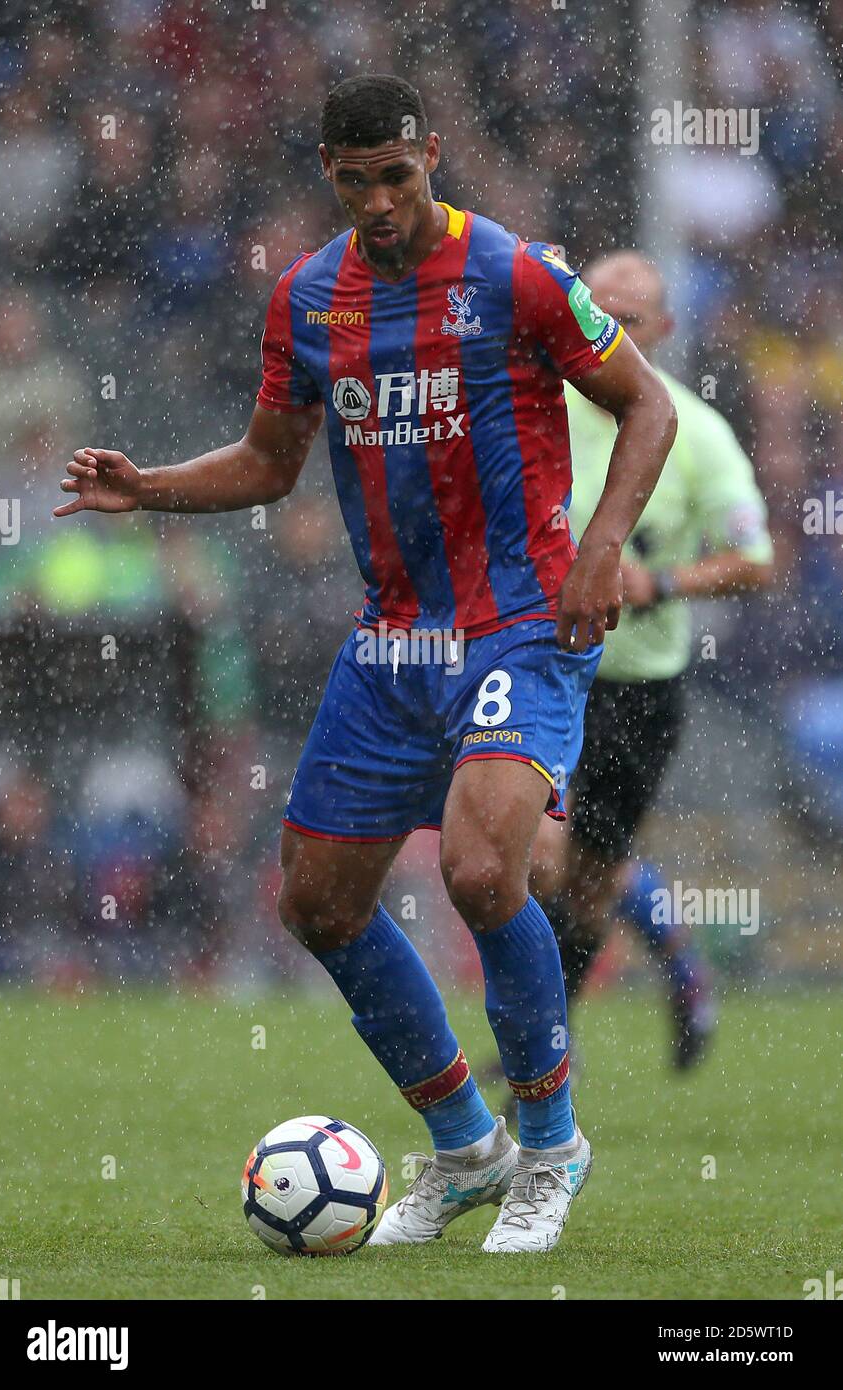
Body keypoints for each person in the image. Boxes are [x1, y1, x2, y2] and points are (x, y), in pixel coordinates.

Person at [53, 75, 676, 1254]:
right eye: (356, 180)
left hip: (518, 623)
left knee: (486, 873)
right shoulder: (310, 298)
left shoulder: (516, 273)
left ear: (430, 156)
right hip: (392, 642)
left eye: (398, 175)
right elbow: (267, 461)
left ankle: (550, 1144)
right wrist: (150, 491)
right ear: (330, 175)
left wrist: (602, 551)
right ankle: (464, 1146)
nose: (381, 200)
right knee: (316, 901)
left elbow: (645, 410)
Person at [527, 252, 774, 1067]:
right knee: (534, 859)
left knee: (590, 881)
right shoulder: (536, 409)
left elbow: (757, 558)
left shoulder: (695, 433)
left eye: (631, 318)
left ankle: (555, 1038)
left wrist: (659, 580)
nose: (612, 332)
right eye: (598, 313)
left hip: (637, 689)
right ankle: (541, 1041)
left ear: (663, 329)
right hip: (539, 671)